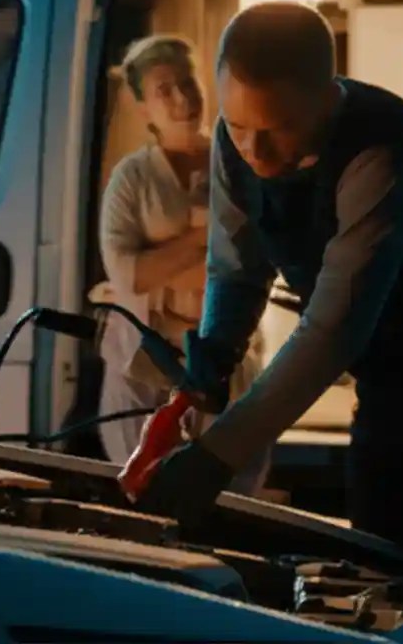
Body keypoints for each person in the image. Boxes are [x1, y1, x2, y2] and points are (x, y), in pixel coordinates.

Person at [134, 3, 403, 644]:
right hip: (395, 384)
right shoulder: (238, 139)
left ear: (326, 97)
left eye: (274, 129)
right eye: (237, 123)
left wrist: (218, 455)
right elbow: (237, 260)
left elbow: (335, 328)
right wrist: (213, 358)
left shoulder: (384, 155)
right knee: (387, 568)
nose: (250, 148)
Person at [95, 34, 269, 495]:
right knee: (143, 488)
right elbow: (128, 274)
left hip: (224, 351)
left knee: (232, 493)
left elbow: (253, 264)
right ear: (141, 107)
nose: (180, 98)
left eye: (187, 82)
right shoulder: (132, 179)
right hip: (144, 359)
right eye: (162, 90)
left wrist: (172, 259)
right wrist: (208, 235)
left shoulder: (237, 164)